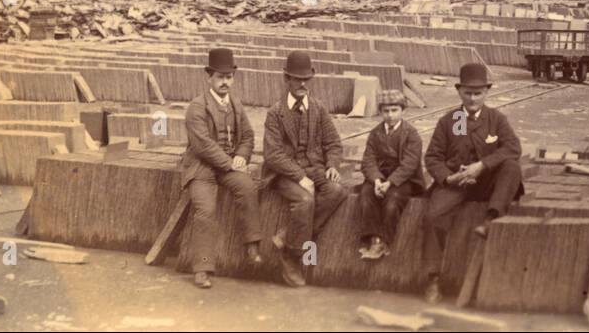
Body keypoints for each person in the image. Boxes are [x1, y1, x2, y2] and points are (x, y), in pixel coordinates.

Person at [420, 63, 524, 303]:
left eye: (478, 93)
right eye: (468, 92)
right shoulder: (448, 121)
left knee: (511, 167)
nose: (473, 98)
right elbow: (432, 157)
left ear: (487, 92)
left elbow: (512, 148)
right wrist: (448, 177)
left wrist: (482, 165)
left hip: (484, 181)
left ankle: (489, 220)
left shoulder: (496, 119)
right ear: (459, 91)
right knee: (432, 217)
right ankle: (432, 280)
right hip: (456, 183)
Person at [262, 51, 349, 287]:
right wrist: (300, 177)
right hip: (284, 173)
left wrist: (331, 165)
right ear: (286, 79)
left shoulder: (318, 109)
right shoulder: (275, 113)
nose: (302, 84)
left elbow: (333, 143)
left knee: (338, 191)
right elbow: (273, 155)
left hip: (316, 169)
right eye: (296, 79)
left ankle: (286, 236)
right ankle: (291, 257)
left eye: (305, 79)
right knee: (304, 200)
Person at [180, 48, 263, 289]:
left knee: (248, 187)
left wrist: (241, 157)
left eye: (229, 77)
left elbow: (248, 135)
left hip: (229, 166)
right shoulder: (196, 107)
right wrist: (231, 164)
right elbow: (203, 145)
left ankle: (252, 245)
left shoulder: (236, 104)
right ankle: (202, 268)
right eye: (220, 76)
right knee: (205, 210)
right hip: (202, 168)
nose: (225, 82)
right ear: (210, 77)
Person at [356, 89, 427, 260]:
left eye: (394, 110)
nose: (390, 115)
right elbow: (368, 160)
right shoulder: (375, 133)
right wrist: (377, 180)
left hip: (403, 180)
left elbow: (409, 164)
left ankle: (385, 240)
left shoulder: (412, 134)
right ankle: (372, 238)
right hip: (380, 178)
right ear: (380, 112)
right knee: (366, 196)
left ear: (403, 110)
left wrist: (390, 183)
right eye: (385, 111)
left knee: (392, 200)